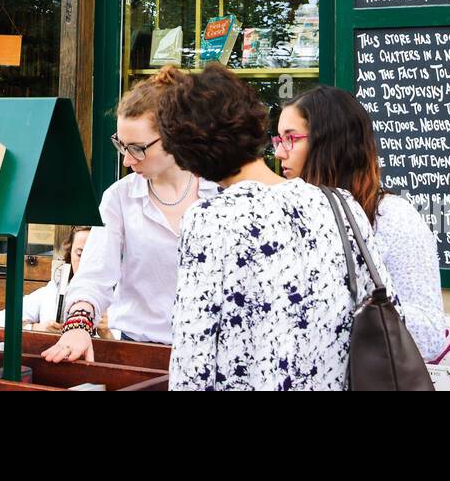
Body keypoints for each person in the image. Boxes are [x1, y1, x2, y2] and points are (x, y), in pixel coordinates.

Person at [160, 65, 398, 390]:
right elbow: (388, 311)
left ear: (188, 155)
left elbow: (193, 357)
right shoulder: (341, 205)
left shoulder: (210, 220)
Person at [42, 67, 217, 362]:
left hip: (218, 356)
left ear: (176, 136)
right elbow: (94, 276)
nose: (126, 160)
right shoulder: (119, 198)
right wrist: (78, 325)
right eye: (121, 145)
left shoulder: (223, 192)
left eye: (136, 148)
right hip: (140, 351)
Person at [276, 86, 446, 358]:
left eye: (291, 139)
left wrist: (359, 296)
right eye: (278, 140)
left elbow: (429, 336)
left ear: (329, 143)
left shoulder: (390, 217)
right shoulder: (285, 215)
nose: (279, 153)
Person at [0, 227, 90, 331]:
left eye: (92, 255)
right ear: (70, 254)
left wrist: (106, 335)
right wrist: (36, 328)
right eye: (80, 255)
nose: (85, 262)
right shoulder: (53, 292)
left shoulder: (106, 301)